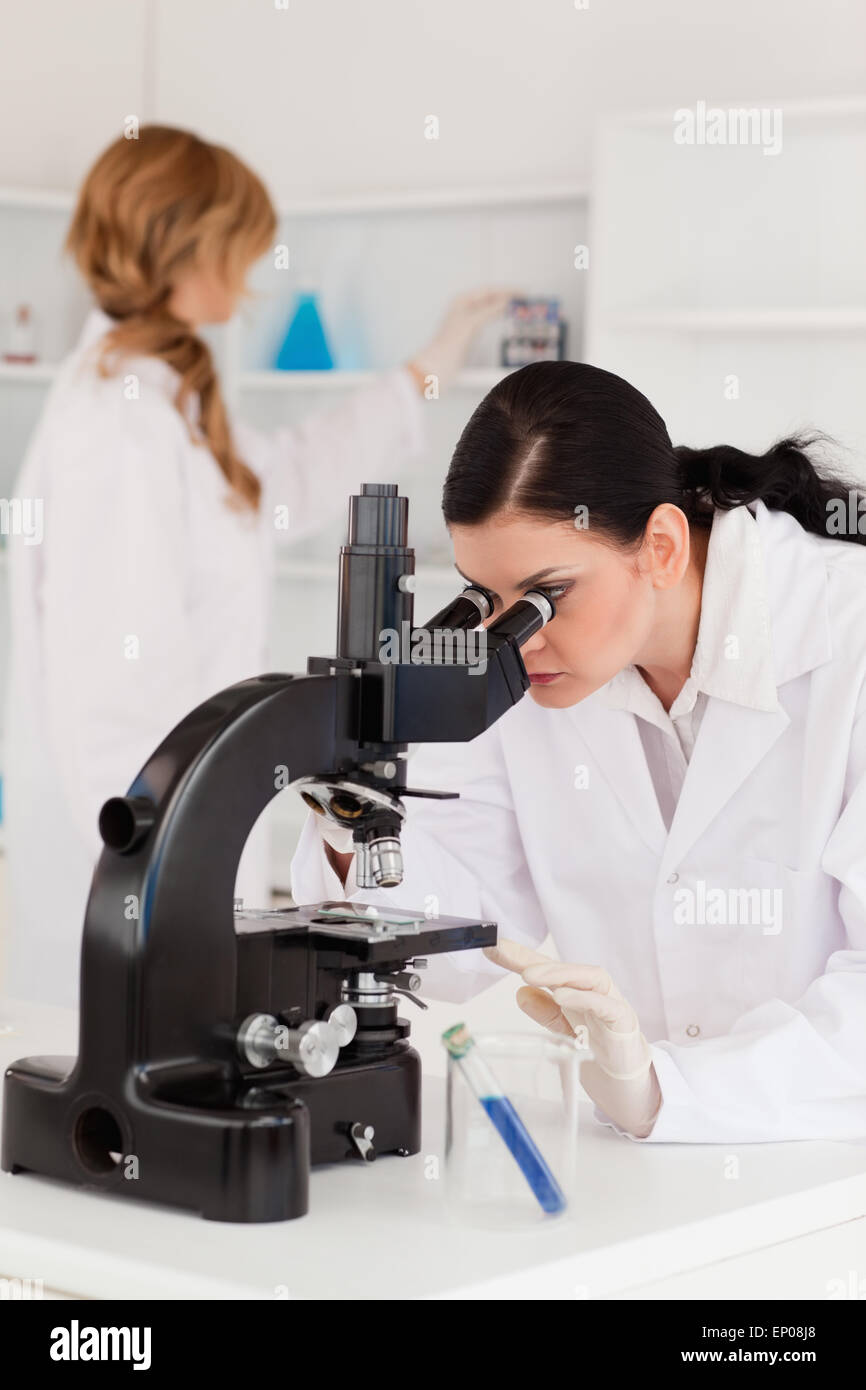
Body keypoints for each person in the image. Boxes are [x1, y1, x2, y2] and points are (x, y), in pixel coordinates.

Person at [292, 359, 866, 1144]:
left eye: (544, 597)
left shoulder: (849, 638)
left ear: (661, 546)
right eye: (486, 599)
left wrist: (662, 1089)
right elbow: (451, 930)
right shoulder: (532, 668)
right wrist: (345, 807)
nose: (513, 639)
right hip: (636, 1170)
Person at [3, 125, 508, 1006]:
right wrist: (169, 883)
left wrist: (428, 372)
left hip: (182, 841)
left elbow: (281, 483)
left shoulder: (164, 402)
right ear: (179, 244)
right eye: (240, 242)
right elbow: (109, 694)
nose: (252, 268)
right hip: (142, 869)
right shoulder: (116, 425)